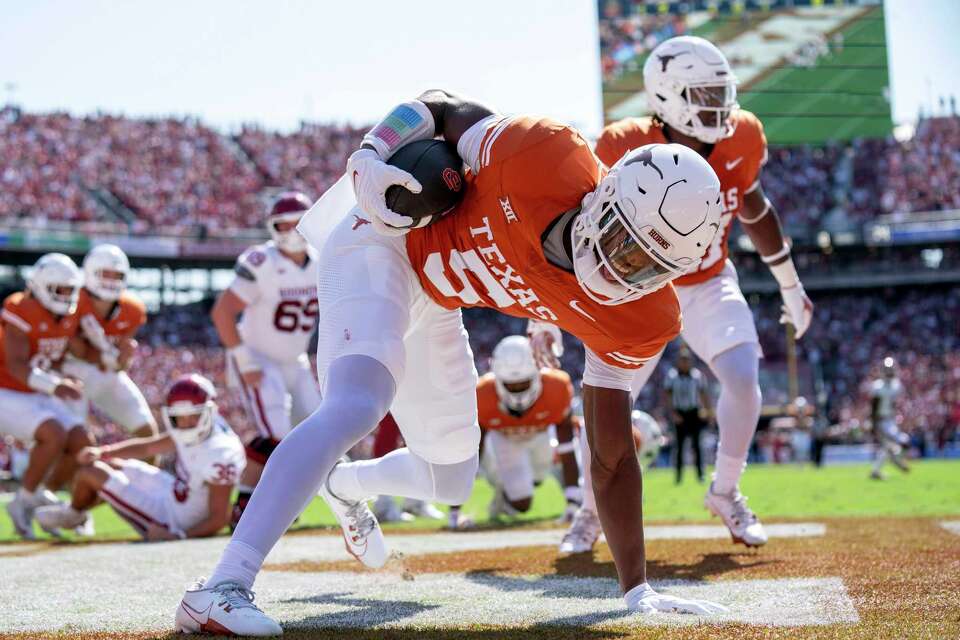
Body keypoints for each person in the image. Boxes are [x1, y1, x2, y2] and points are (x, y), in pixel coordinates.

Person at [176, 90, 727, 636]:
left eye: (647, 266)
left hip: (438, 297)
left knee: (450, 479)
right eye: (623, 241)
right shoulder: (542, 154)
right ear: (604, 195)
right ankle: (221, 587)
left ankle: (344, 484)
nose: (621, 271)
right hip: (385, 242)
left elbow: (610, 455)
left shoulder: (643, 316)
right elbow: (439, 106)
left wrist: (636, 590)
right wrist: (371, 153)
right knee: (357, 404)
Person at [556, 35, 813, 551]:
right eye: (705, 96)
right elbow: (574, 230)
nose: (720, 108)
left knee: (743, 378)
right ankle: (588, 511)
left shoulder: (741, 137)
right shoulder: (616, 145)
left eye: (722, 93)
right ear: (669, 97)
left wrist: (791, 284)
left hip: (708, 281)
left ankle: (726, 491)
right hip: (637, 290)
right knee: (609, 406)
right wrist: (545, 314)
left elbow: (754, 208)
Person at [209, 192, 322, 528]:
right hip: (260, 360)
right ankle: (261, 508)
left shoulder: (323, 258)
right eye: (282, 225)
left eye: (296, 223)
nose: (290, 231)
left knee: (326, 429)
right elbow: (223, 312)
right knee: (277, 434)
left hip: (296, 360)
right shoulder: (263, 262)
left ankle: (250, 501)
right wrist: (245, 362)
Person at [36, 374, 245, 539]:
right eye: (180, 418)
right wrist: (103, 452)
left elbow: (219, 518)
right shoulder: (208, 428)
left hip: (175, 519)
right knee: (108, 463)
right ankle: (77, 512)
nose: (187, 423)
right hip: (173, 493)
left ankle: (72, 514)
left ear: (208, 412)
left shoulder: (220, 453)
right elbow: (148, 448)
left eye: (193, 416)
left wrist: (177, 535)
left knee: (91, 472)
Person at [0, 253, 90, 539]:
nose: (67, 296)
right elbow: (15, 364)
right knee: (53, 434)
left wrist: (64, 377)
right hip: (7, 389)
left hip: (38, 391)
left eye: (70, 289)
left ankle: (40, 495)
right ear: (40, 287)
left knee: (82, 443)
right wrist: (55, 385)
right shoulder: (19, 307)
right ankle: (23, 502)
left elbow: (53, 358)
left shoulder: (69, 315)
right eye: (60, 290)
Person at [478, 336, 580, 522]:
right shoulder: (482, 393)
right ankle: (504, 493)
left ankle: (560, 480)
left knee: (539, 479)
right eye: (511, 385)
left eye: (523, 383)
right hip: (506, 441)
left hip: (541, 437)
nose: (518, 389)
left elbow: (567, 444)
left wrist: (572, 501)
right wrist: (455, 509)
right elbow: (475, 450)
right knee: (522, 504)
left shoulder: (556, 387)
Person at [61, 244, 157, 440]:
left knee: (148, 433)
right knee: (77, 440)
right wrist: (105, 354)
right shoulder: (71, 301)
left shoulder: (132, 309)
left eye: (117, 275)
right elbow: (78, 351)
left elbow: (121, 364)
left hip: (107, 374)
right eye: (106, 274)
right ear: (90, 273)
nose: (111, 281)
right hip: (70, 373)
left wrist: (122, 358)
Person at [664, 349, 711, 484]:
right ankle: (678, 476)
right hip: (679, 413)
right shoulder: (672, 376)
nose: (684, 363)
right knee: (679, 446)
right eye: (682, 360)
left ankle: (700, 475)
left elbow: (703, 394)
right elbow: (667, 396)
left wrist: (708, 411)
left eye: (687, 360)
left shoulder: (697, 376)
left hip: (694, 412)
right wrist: (673, 413)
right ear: (678, 362)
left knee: (697, 445)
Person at [869, 357, 910, 479]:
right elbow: (874, 408)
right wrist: (874, 424)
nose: (889, 372)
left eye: (890, 370)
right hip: (881, 421)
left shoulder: (896, 385)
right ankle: (895, 459)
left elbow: (897, 404)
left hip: (891, 420)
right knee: (900, 442)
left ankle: (879, 468)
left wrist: (900, 419)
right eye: (887, 370)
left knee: (889, 446)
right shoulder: (877, 386)